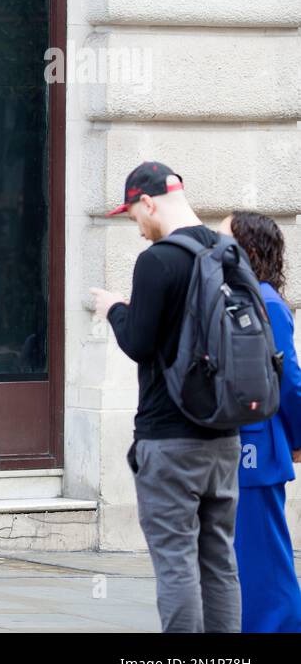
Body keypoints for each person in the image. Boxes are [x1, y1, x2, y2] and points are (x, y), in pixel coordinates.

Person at [91, 162, 241, 633]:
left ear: (149, 202)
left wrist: (114, 308)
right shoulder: (230, 252)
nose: (136, 227)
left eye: (134, 214)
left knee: (176, 562)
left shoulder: (157, 260)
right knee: (219, 560)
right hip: (224, 434)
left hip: (169, 437)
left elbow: (139, 342)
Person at [218, 211, 301, 631]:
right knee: (241, 557)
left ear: (248, 250)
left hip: (257, 450)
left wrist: (299, 437)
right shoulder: (237, 298)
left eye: (223, 241)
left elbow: (289, 383)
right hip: (235, 448)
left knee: (264, 558)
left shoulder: (265, 303)